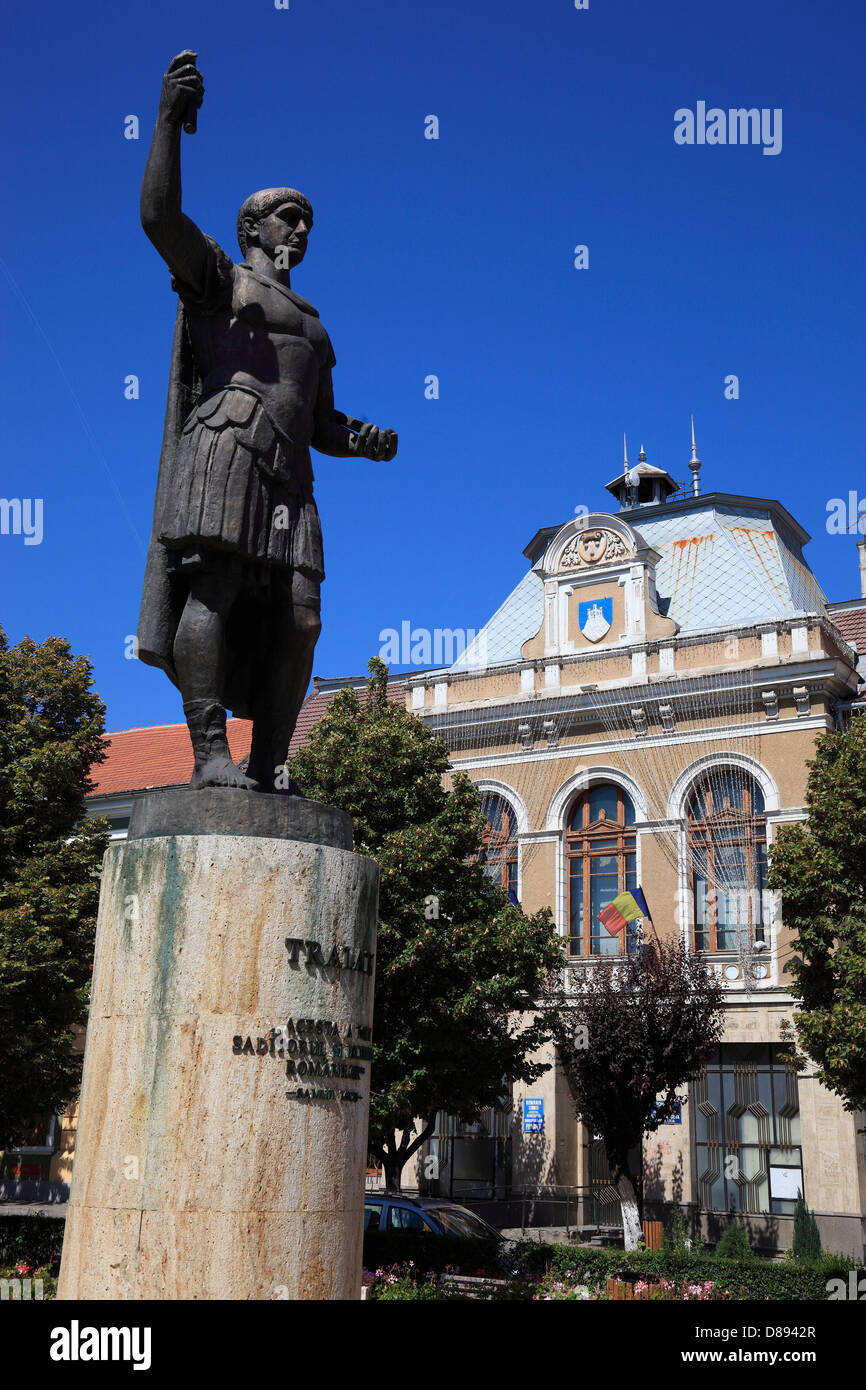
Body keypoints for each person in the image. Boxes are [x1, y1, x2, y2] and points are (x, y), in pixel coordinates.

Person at [137, 51, 397, 791]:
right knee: (212, 593)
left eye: (309, 220)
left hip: (292, 472)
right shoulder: (222, 281)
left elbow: (320, 421)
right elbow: (157, 215)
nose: (303, 228)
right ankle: (210, 752)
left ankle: (270, 759)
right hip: (227, 445)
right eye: (291, 216)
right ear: (254, 224)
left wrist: (363, 441)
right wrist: (167, 122)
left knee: (301, 620)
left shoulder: (315, 325)